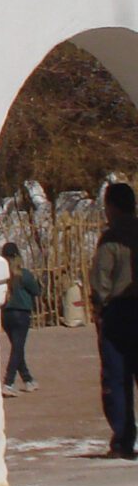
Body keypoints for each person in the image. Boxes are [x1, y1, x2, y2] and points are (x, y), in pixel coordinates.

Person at [90, 180, 138, 461]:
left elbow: (101, 282)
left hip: (119, 312)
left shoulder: (111, 239)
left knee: (117, 378)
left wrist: (99, 310)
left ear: (111, 207)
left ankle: (122, 439)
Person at [0, 242, 41, 396]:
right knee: (17, 348)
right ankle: (8, 382)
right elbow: (36, 290)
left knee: (17, 347)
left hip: (6, 315)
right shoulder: (23, 274)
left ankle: (28, 380)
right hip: (21, 314)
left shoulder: (2, 277)